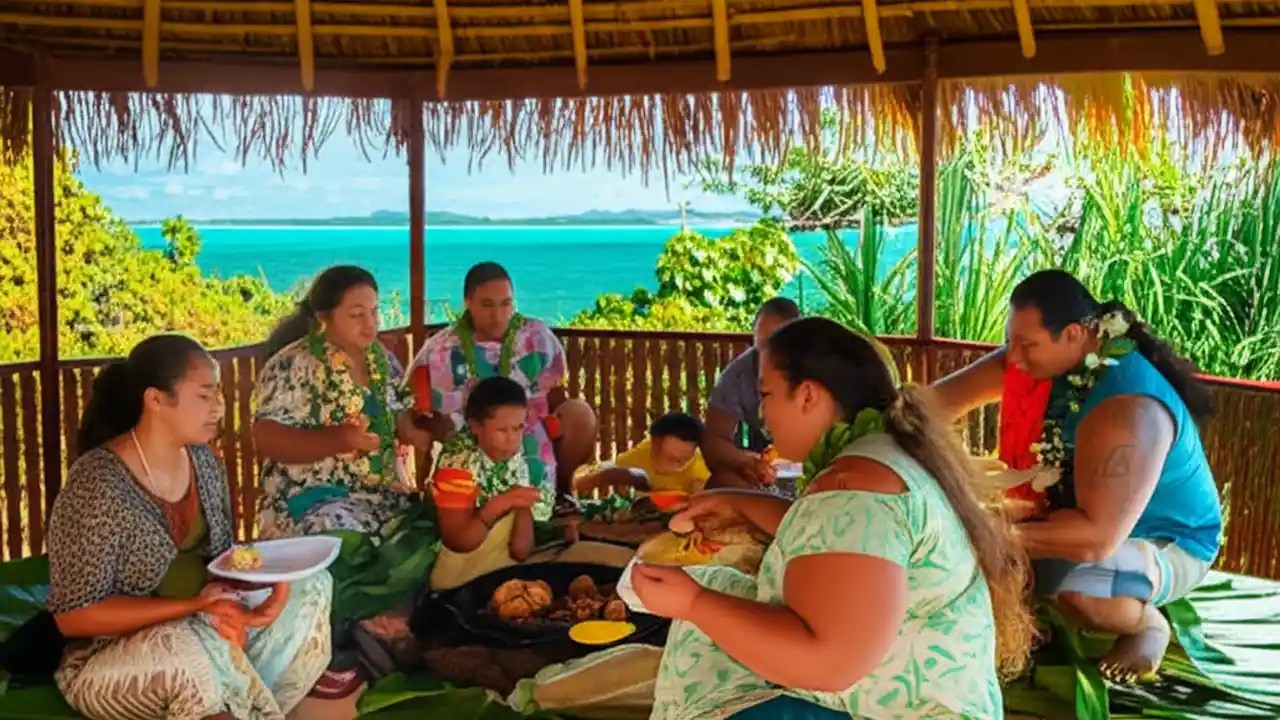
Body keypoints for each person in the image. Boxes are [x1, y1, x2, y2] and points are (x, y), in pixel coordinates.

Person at [633, 317, 1034, 719]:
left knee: (712, 624)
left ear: (808, 396)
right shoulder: (882, 460)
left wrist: (693, 603)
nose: (762, 413)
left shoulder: (855, 487)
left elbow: (828, 663)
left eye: (767, 394)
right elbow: (837, 542)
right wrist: (738, 505)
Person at [931, 269, 1223, 681]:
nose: (1013, 357)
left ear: (1072, 334)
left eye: (1026, 344)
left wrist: (982, 531)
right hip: (1081, 517)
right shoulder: (1040, 361)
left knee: (1080, 593)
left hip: (1167, 541)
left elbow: (1096, 539)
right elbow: (931, 405)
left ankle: (1148, 625)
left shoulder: (1127, 410)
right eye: (1011, 341)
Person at [46, 334, 332, 720]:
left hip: (203, 625)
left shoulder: (204, 464)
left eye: (219, 394)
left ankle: (239, 703)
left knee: (312, 587)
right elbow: (75, 615)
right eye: (205, 395)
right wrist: (194, 606)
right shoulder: (97, 483)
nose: (219, 406)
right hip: (111, 658)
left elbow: (223, 563)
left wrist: (271, 585)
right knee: (185, 644)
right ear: (156, 400)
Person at [253, 265, 433, 539]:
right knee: (340, 533)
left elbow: (397, 416)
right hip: (311, 496)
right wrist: (340, 439)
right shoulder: (292, 365)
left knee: (431, 525)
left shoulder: (382, 360)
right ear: (324, 318)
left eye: (374, 311)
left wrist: (417, 431)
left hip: (379, 493)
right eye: (356, 315)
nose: (370, 324)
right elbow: (267, 438)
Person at [408, 261, 596, 500]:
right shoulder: (440, 349)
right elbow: (419, 407)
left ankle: (560, 494)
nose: (498, 316)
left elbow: (556, 394)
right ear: (468, 303)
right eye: (487, 305)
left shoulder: (536, 336)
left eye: (506, 304)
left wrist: (544, 426)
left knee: (579, 414)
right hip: (470, 438)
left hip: (530, 429)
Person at [428, 376, 549, 590]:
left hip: (499, 558)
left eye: (518, 428)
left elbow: (521, 548)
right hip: (459, 569)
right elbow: (459, 542)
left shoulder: (518, 452)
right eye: (502, 430)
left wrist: (520, 507)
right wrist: (501, 504)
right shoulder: (457, 462)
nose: (512, 439)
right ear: (476, 426)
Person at [702, 297, 800, 493]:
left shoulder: (821, 369)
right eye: (762, 345)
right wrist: (746, 462)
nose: (768, 354)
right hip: (770, 472)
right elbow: (713, 439)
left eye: (778, 346)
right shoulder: (738, 374)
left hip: (818, 469)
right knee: (719, 484)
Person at [576, 412, 711, 496]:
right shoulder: (640, 455)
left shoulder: (701, 468)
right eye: (671, 459)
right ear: (655, 444)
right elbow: (608, 470)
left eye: (685, 459)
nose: (680, 465)